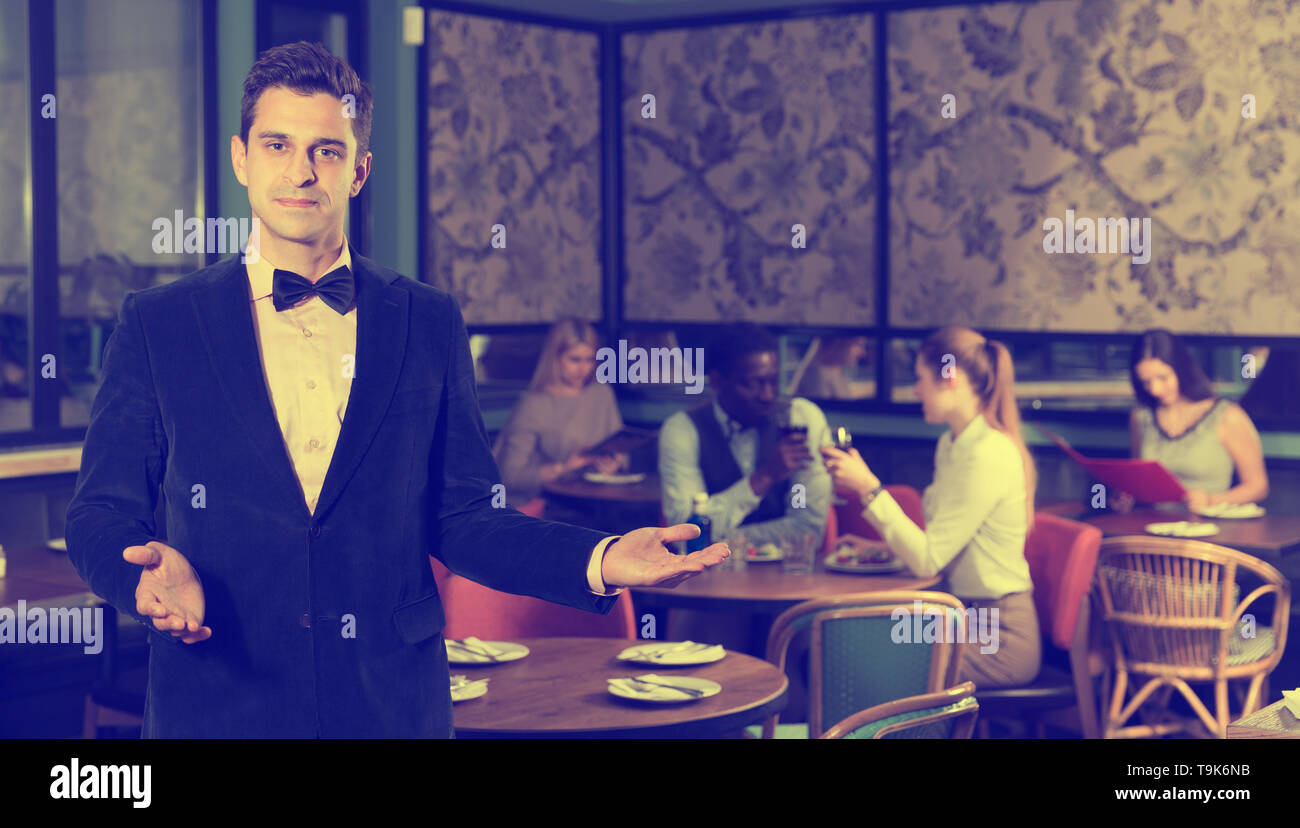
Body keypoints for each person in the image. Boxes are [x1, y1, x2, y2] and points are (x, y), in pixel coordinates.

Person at [64, 41, 727, 738]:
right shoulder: (159, 322)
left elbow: (465, 518)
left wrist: (598, 558)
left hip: (390, 705)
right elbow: (99, 513)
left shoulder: (428, 319)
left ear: (359, 170)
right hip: (219, 697)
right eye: (277, 144)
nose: (300, 171)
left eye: (326, 150)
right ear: (241, 159)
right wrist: (139, 578)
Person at [821, 327, 1041, 688]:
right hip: (957, 616)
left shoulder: (989, 453)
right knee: (835, 642)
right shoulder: (952, 444)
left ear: (949, 376)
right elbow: (942, 544)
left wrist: (868, 488)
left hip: (996, 633)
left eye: (920, 378)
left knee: (854, 658)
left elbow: (929, 559)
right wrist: (880, 548)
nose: (916, 390)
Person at [659, 322, 831, 549]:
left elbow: (807, 529)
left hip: (789, 575)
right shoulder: (683, 429)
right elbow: (684, 535)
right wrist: (762, 479)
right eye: (753, 384)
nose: (768, 396)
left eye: (773, 381)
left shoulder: (800, 420)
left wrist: (720, 541)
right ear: (717, 382)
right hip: (708, 579)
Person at [1128, 329, 1269, 511]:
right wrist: (1127, 497)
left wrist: (1211, 500)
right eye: (1145, 381)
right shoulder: (1141, 417)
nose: (1154, 389)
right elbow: (1137, 480)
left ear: (1181, 369)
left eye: (1163, 378)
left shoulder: (1227, 415)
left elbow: (1258, 487)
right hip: (1153, 526)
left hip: (1210, 527)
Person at [492, 319, 624, 505]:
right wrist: (563, 468)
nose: (583, 369)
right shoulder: (534, 404)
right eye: (575, 359)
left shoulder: (601, 394)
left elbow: (621, 450)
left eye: (589, 360)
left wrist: (614, 464)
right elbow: (509, 476)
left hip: (598, 499)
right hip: (547, 505)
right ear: (555, 358)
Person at [794, 335, 872, 399]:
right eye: (858, 345)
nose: (862, 353)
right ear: (840, 345)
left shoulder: (835, 371)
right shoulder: (817, 375)